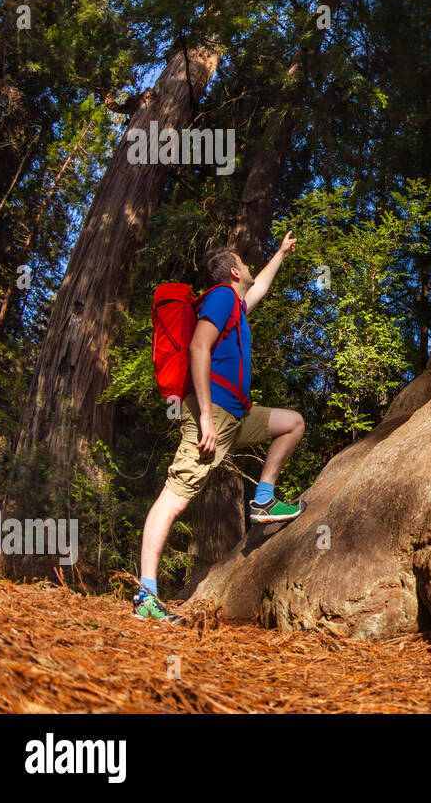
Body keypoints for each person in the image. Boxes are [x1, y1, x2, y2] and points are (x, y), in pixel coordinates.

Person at [133, 233, 307, 623]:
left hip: (238, 415)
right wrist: (206, 418)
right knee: (173, 500)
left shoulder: (237, 305)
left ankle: (263, 499)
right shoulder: (222, 297)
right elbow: (198, 348)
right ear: (232, 271)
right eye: (243, 263)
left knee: (292, 423)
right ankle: (146, 596)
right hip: (213, 416)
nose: (248, 268)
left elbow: (259, 285)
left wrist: (279, 253)